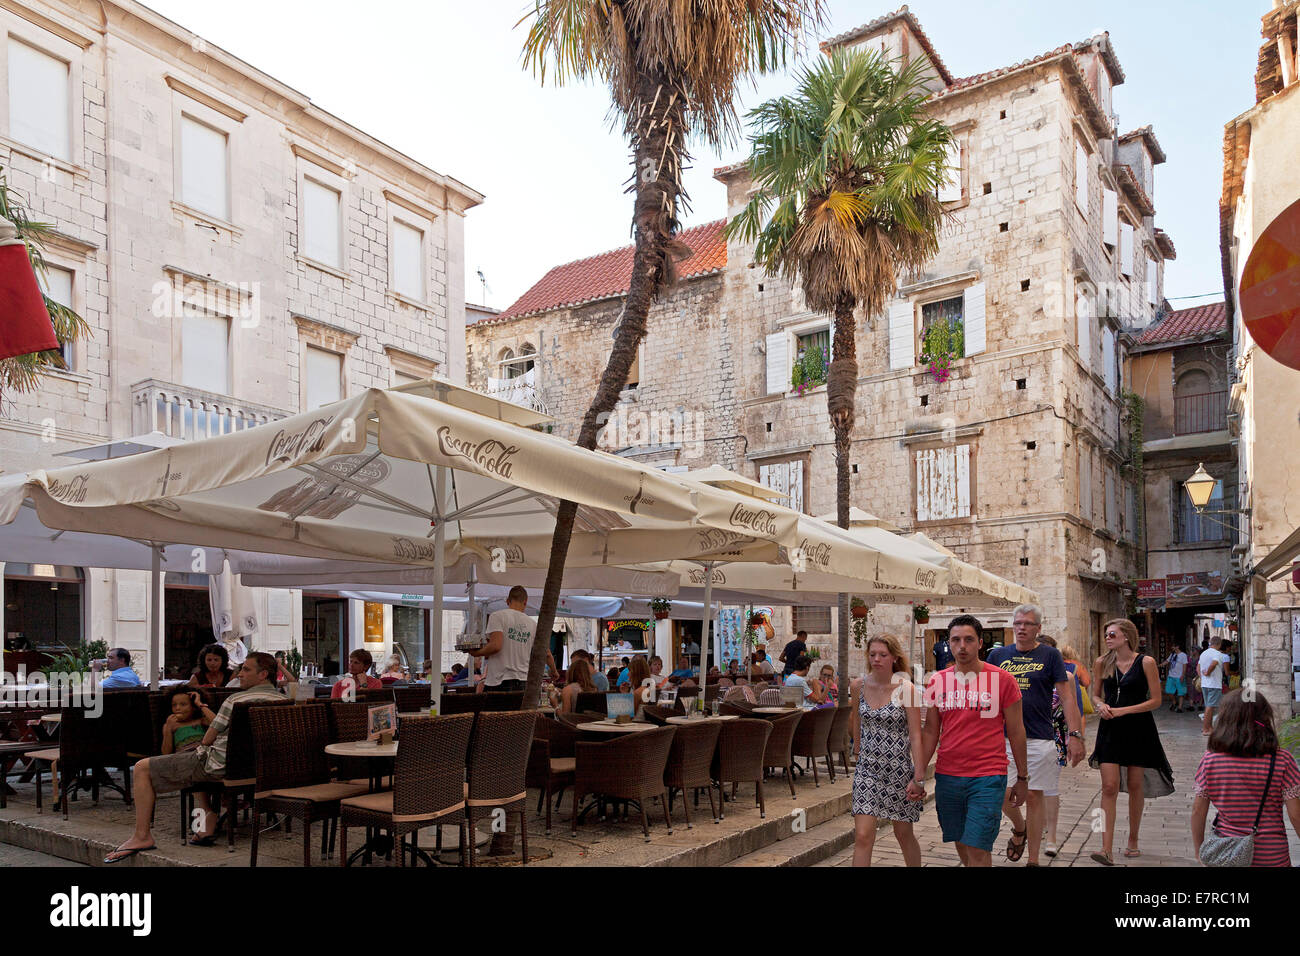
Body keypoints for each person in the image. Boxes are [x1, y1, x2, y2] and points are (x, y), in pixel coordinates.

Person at [104, 653, 284, 862]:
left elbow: (207, 740)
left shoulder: (236, 700)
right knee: (194, 764)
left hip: (220, 767)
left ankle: (141, 836)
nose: (240, 674)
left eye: (246, 669)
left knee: (142, 767)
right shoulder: (283, 700)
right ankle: (208, 819)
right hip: (259, 770)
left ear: (263, 674)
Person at [914, 614, 1027, 867]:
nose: (962, 646)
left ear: (980, 643)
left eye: (968, 639)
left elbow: (1017, 730)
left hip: (988, 776)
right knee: (962, 843)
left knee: (978, 847)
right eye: (956, 640)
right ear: (948, 643)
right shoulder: (937, 681)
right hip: (948, 776)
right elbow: (931, 731)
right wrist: (918, 774)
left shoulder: (1002, 680)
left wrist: (1022, 777)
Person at [986, 605, 1083, 867]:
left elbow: (1066, 696)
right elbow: (987, 697)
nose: (1022, 628)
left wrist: (1075, 735)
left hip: (1040, 736)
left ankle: (1034, 859)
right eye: (1017, 623)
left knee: (1034, 795)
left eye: (1028, 624)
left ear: (1038, 628)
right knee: (1001, 792)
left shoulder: (1050, 655)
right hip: (1003, 737)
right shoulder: (998, 656)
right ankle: (1020, 828)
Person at [1088, 618, 1175, 865]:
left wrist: (1125, 710)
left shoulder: (1146, 662)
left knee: (1136, 785)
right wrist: (1100, 704)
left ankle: (1133, 840)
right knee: (1109, 786)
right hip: (1110, 728)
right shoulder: (1101, 662)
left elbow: (1156, 700)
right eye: (1106, 634)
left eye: (1112, 633)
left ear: (1126, 636)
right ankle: (1106, 849)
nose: (1107, 637)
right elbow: (1095, 694)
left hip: (1138, 727)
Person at [1191, 690, 1300, 867]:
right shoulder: (1282, 760)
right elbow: (1295, 814)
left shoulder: (1211, 759)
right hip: (1271, 854)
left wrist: (1199, 851)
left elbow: (1198, 810)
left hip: (1227, 853)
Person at [850, 635, 924, 867]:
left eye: (882, 655)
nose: (877, 659)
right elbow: (856, 721)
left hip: (898, 771)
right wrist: (858, 750)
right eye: (872, 654)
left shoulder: (906, 689)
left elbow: (915, 735)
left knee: (903, 834)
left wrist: (919, 777)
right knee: (863, 836)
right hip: (867, 770)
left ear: (894, 657)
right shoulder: (858, 686)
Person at [1042, 639, 1086, 857]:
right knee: (1031, 788)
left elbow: (1075, 709)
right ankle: (1035, 823)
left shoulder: (1065, 678)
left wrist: (1076, 738)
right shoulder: (1023, 676)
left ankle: (1051, 836)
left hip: (1055, 736)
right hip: (1025, 736)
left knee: (1049, 786)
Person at [468, 585, 534, 692]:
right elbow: (546, 653)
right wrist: (554, 671)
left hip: (499, 680)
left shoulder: (497, 616)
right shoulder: (532, 624)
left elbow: (496, 646)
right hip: (523, 680)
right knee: (520, 709)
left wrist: (477, 653)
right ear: (525, 602)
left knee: (495, 709)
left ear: (508, 601)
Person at [161, 687, 212, 755]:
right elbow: (166, 753)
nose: (177, 708)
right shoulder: (170, 725)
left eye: (183, 704)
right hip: (182, 757)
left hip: (203, 753)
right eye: (174, 705)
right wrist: (168, 727)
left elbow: (219, 724)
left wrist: (199, 704)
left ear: (193, 707)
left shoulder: (200, 721)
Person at [1198, 636, 1231, 736]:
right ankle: (1205, 729)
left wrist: (1203, 677)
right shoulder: (1218, 654)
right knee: (1210, 707)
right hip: (1214, 684)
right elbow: (1214, 663)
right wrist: (1208, 672)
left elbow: (1198, 668)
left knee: (1208, 705)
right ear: (1219, 644)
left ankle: (1210, 727)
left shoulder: (1203, 653)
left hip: (1205, 684)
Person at [1164, 644, 1189, 713]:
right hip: (1171, 676)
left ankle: (1180, 707)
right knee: (1168, 691)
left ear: (1177, 647)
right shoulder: (1172, 654)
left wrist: (1183, 675)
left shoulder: (1183, 655)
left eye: (1173, 646)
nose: (1172, 647)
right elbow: (1167, 661)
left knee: (1181, 692)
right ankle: (1174, 702)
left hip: (1179, 676)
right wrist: (1159, 665)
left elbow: (1184, 666)